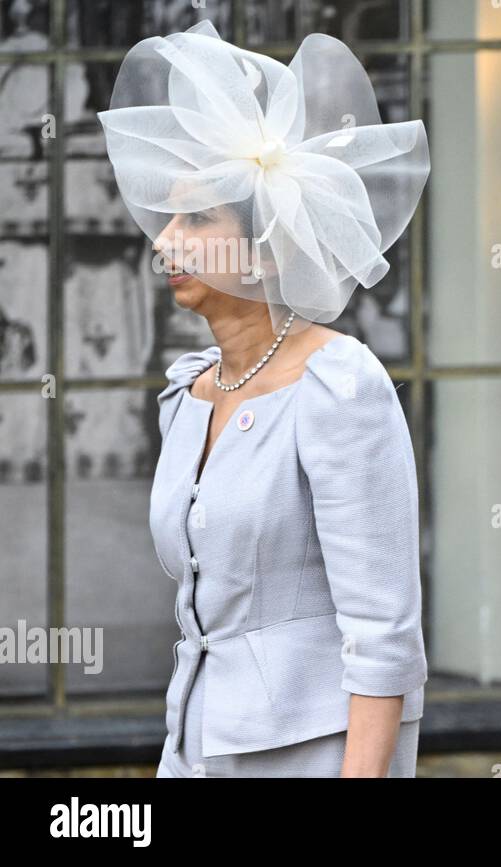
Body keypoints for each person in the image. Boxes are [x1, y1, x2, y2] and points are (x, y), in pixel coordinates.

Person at [97, 21, 430, 776]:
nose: (165, 241)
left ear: (265, 241)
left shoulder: (339, 385)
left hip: (307, 757)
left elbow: (383, 636)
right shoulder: (188, 391)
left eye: (195, 219)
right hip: (193, 747)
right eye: (167, 218)